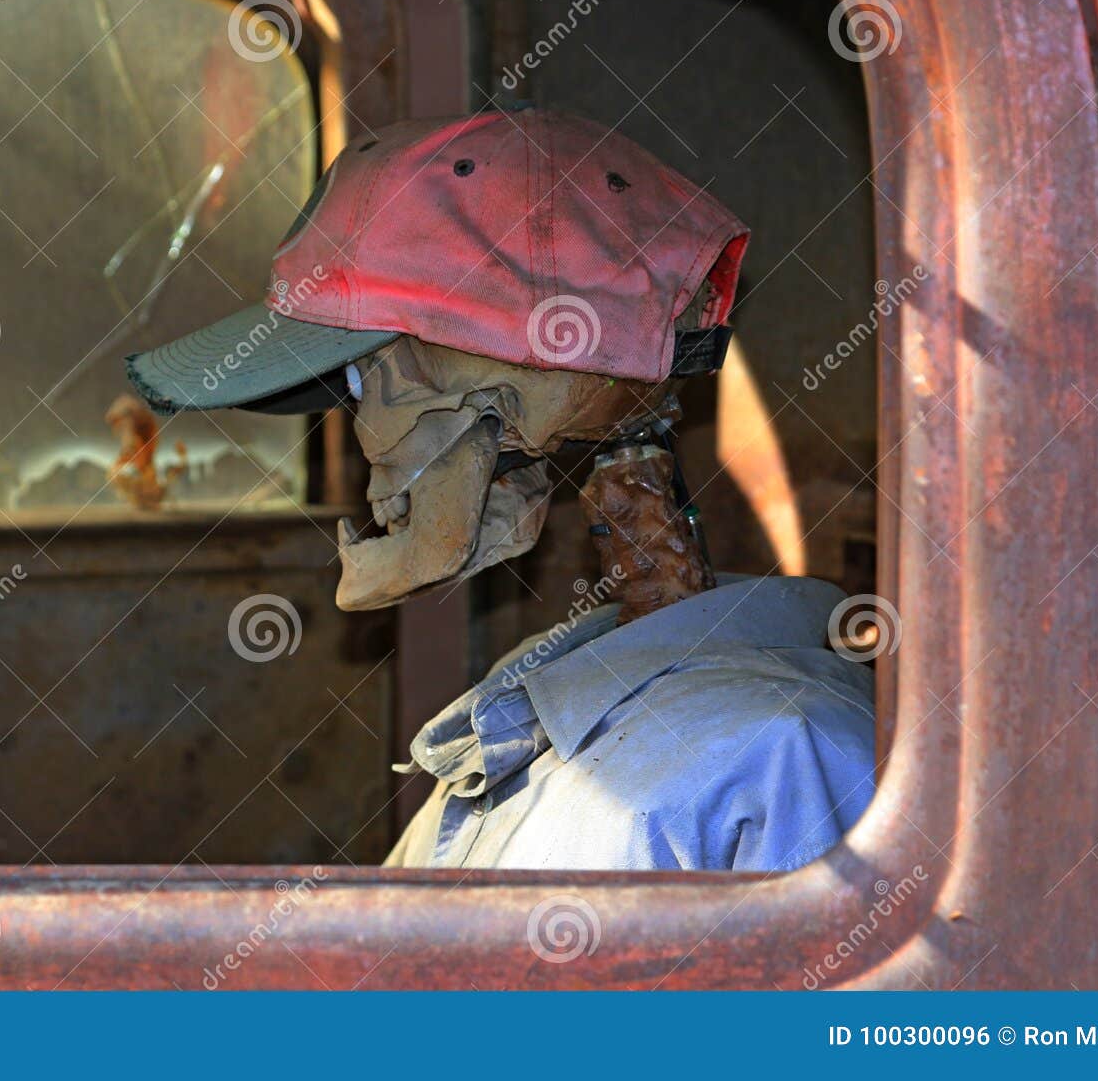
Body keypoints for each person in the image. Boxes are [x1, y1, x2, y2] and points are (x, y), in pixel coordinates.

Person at [125, 108, 875, 871]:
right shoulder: (539, 696)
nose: (360, 440)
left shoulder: (784, 764)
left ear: (524, 391)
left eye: (368, 379)